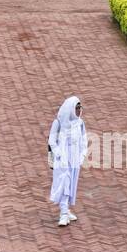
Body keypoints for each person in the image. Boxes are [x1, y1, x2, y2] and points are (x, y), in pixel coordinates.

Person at [48, 96, 87, 227]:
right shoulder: (58, 122)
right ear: (70, 108)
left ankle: (67, 209)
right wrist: (59, 154)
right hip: (63, 159)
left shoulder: (80, 123)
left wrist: (82, 155)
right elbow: (52, 141)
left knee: (71, 185)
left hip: (75, 158)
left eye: (80, 108)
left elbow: (83, 139)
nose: (78, 110)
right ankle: (63, 214)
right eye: (76, 108)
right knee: (65, 182)